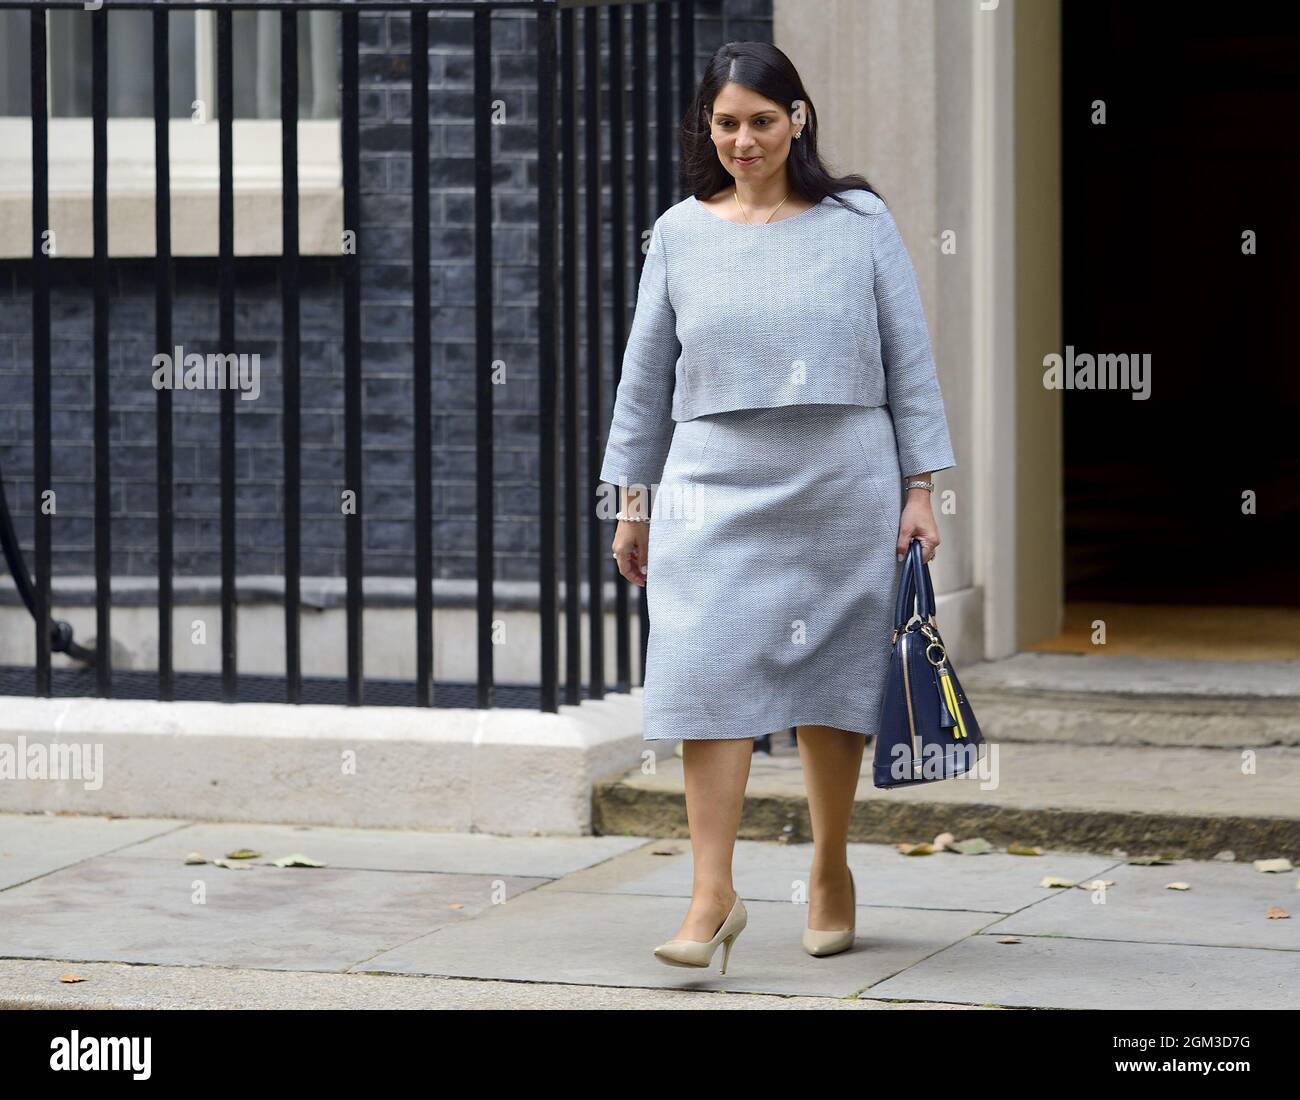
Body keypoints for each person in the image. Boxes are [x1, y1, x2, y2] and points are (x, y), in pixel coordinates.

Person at [599, 42, 957, 972]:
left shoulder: (858, 221)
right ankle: (711, 894)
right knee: (705, 671)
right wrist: (632, 503)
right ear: (706, 128)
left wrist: (922, 489)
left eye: (762, 120)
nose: (744, 140)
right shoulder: (679, 231)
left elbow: (909, 358)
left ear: (797, 119)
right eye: (726, 123)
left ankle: (830, 868)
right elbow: (644, 381)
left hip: (843, 480)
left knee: (833, 681)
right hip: (712, 482)